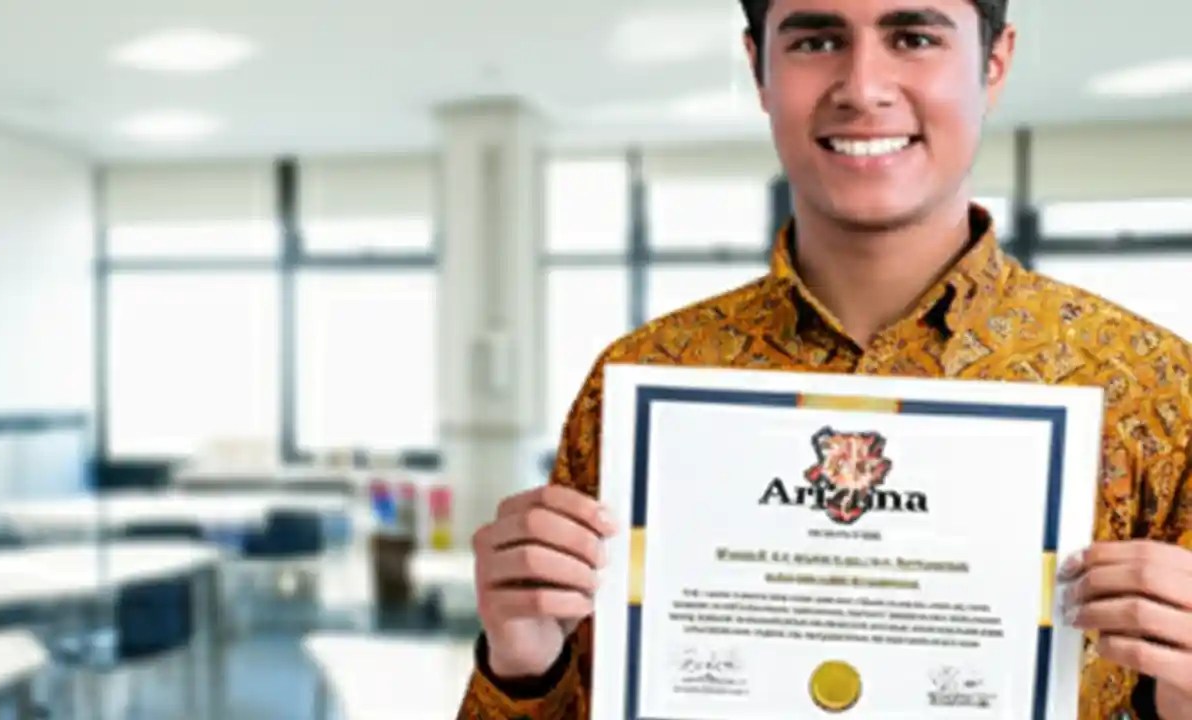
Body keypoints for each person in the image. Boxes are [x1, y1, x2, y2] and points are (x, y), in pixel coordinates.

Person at [456, 1, 1192, 718]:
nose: (863, 87)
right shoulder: (640, 382)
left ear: (993, 64)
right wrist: (523, 665)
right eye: (815, 41)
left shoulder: (1152, 388)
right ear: (760, 70)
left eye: (912, 37)